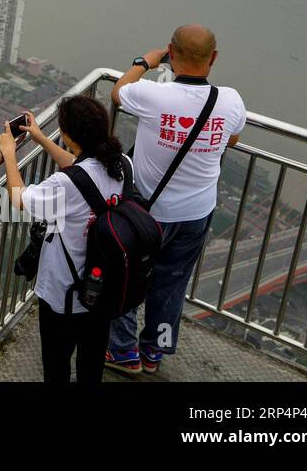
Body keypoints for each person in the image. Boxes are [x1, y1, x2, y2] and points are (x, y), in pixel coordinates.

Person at [104, 24, 246, 376]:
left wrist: (145, 61)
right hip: (197, 213)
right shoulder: (230, 100)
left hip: (149, 212)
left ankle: (123, 352)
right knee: (170, 285)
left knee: (125, 274)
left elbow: (119, 93)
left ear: (171, 52)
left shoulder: (154, 95)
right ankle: (154, 352)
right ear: (213, 58)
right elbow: (232, 139)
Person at [0, 96, 131, 383]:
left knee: (57, 366)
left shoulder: (65, 185)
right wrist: (41, 139)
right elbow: (80, 168)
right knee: (91, 365)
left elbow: (20, 199)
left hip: (65, 294)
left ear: (69, 135)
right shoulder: (122, 165)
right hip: (104, 288)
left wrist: (10, 154)